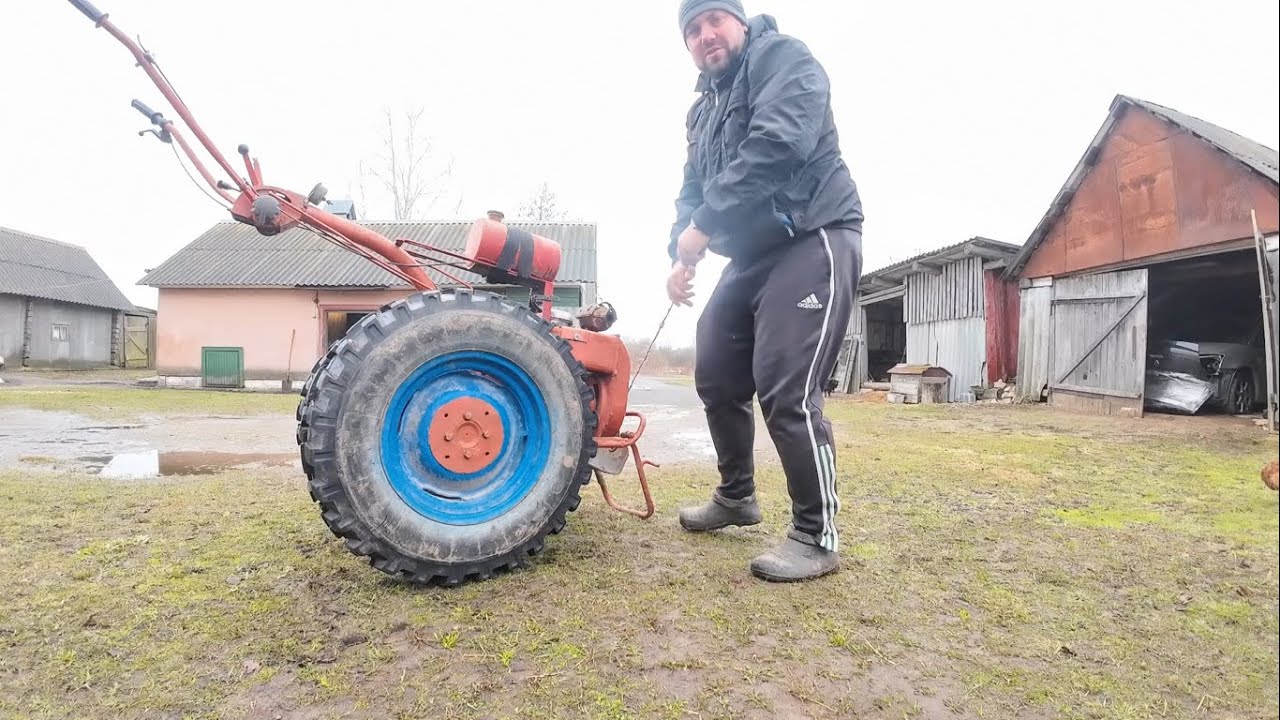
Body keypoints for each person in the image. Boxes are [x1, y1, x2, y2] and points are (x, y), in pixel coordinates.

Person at [667, 0, 864, 582]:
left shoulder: (782, 58)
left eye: (715, 21)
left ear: (741, 22)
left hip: (813, 233)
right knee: (717, 371)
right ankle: (737, 496)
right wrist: (679, 250)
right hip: (752, 253)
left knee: (787, 386)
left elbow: (778, 145)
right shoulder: (702, 113)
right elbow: (690, 191)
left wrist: (706, 222)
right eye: (693, 30)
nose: (706, 36)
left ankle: (815, 533)